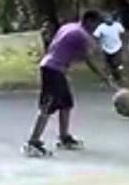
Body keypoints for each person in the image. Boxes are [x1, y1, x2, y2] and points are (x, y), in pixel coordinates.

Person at [24, 10, 113, 157]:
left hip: (54, 68)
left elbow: (58, 47)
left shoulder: (69, 27)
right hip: (53, 70)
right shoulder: (81, 34)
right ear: (89, 21)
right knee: (47, 106)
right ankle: (32, 143)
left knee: (66, 104)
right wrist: (104, 78)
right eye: (96, 24)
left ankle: (64, 137)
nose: (96, 28)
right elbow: (89, 59)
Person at [93, 14, 125, 82]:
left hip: (117, 47)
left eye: (110, 18)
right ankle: (106, 79)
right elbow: (96, 36)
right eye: (107, 18)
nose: (108, 20)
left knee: (115, 63)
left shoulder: (117, 25)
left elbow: (122, 32)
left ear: (113, 19)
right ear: (104, 19)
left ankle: (117, 77)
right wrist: (98, 44)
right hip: (106, 48)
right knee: (107, 65)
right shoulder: (101, 27)